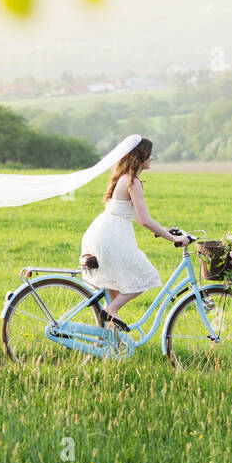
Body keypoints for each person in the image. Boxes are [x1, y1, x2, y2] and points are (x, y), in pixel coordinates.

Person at [79, 136, 187, 331]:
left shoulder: (123, 178)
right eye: (150, 154)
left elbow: (136, 215)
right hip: (111, 236)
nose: (152, 158)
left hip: (103, 231)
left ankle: (109, 339)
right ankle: (110, 311)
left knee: (115, 286)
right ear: (141, 156)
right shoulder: (133, 182)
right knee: (145, 277)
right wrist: (173, 238)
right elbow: (144, 219)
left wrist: (161, 231)